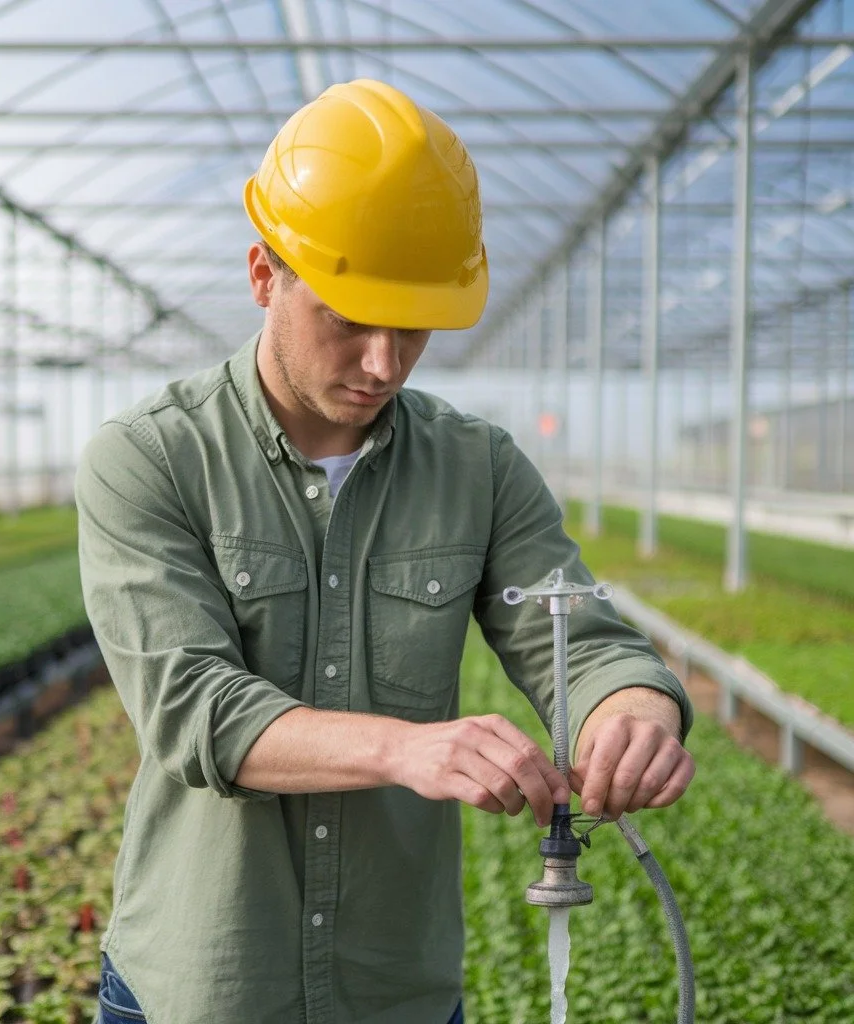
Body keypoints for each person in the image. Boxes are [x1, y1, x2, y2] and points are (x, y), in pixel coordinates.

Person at [76, 79, 695, 1024]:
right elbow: (192, 710)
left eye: (413, 328)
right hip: (203, 987)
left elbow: (577, 634)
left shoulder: (479, 466)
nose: (383, 363)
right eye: (349, 319)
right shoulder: (150, 458)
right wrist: (403, 749)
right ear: (262, 275)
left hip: (397, 988)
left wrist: (632, 709)